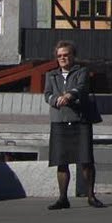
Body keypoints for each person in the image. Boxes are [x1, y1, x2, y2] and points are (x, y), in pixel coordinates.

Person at [44, 40, 103, 209]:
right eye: (60, 56)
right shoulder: (51, 75)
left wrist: (69, 95)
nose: (63, 58)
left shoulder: (81, 71)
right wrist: (56, 100)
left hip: (80, 120)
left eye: (66, 55)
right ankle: (63, 198)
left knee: (85, 160)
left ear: (73, 56)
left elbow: (81, 87)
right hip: (59, 120)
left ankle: (91, 196)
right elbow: (47, 94)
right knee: (61, 161)